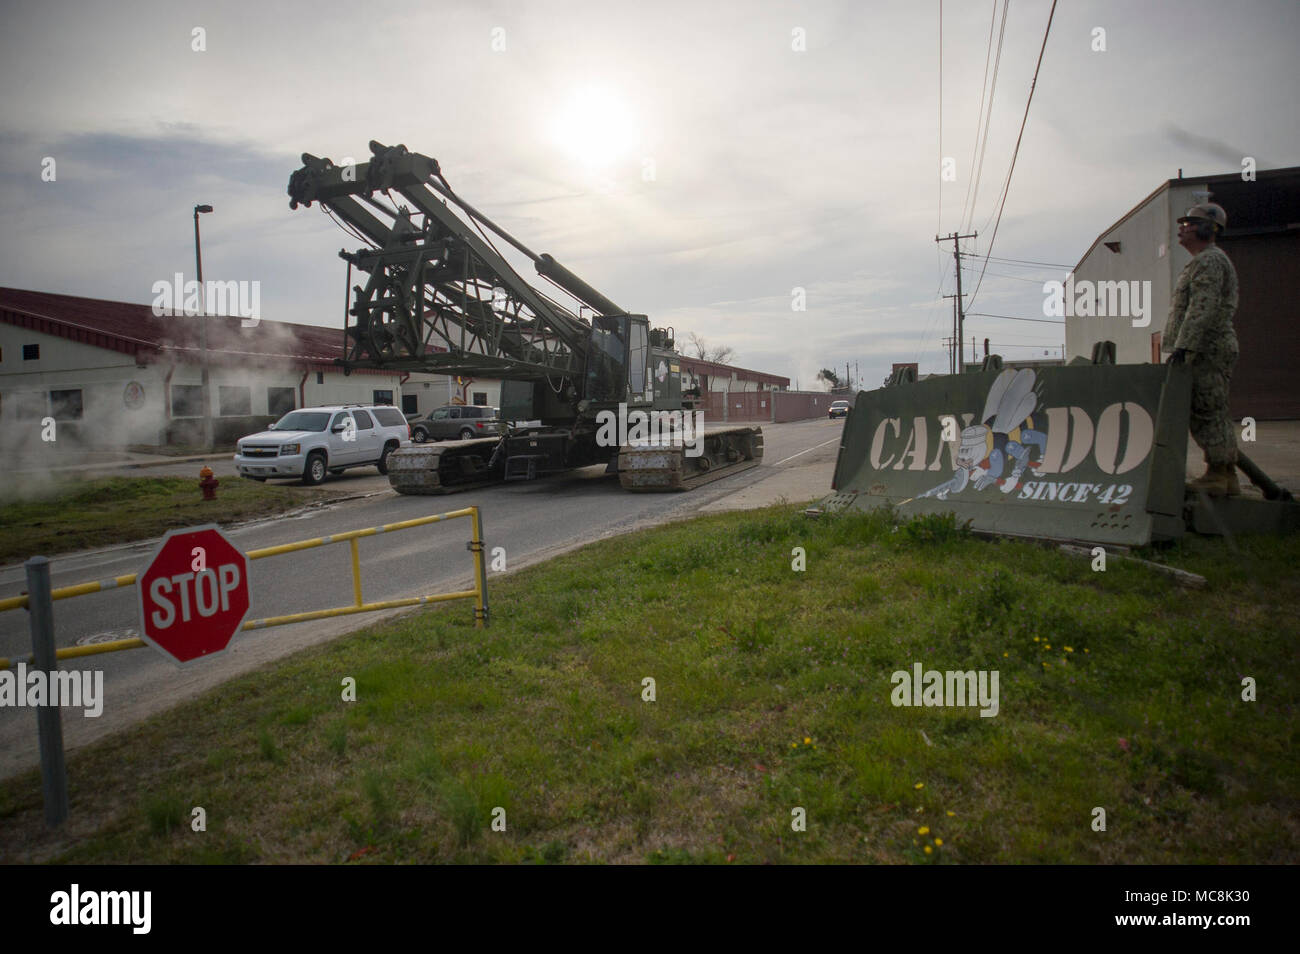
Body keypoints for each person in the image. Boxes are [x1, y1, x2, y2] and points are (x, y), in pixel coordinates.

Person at [1162, 202, 1240, 496]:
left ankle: (1220, 474)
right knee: (1203, 409)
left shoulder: (1209, 261)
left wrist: (1184, 347)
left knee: (1209, 411)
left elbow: (1202, 308)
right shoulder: (1203, 261)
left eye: (1190, 223)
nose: (1183, 228)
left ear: (1209, 229)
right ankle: (1224, 474)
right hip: (1202, 348)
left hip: (1207, 349)